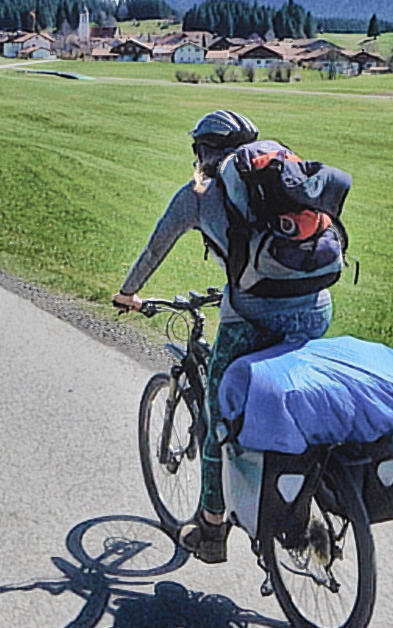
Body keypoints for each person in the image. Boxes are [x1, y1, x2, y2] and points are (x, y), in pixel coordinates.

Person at [113, 110, 333, 563]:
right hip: (316, 308)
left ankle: (213, 529)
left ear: (201, 152)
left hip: (251, 317)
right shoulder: (280, 179)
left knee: (218, 416)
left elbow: (157, 246)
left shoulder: (197, 193)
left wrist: (128, 293)